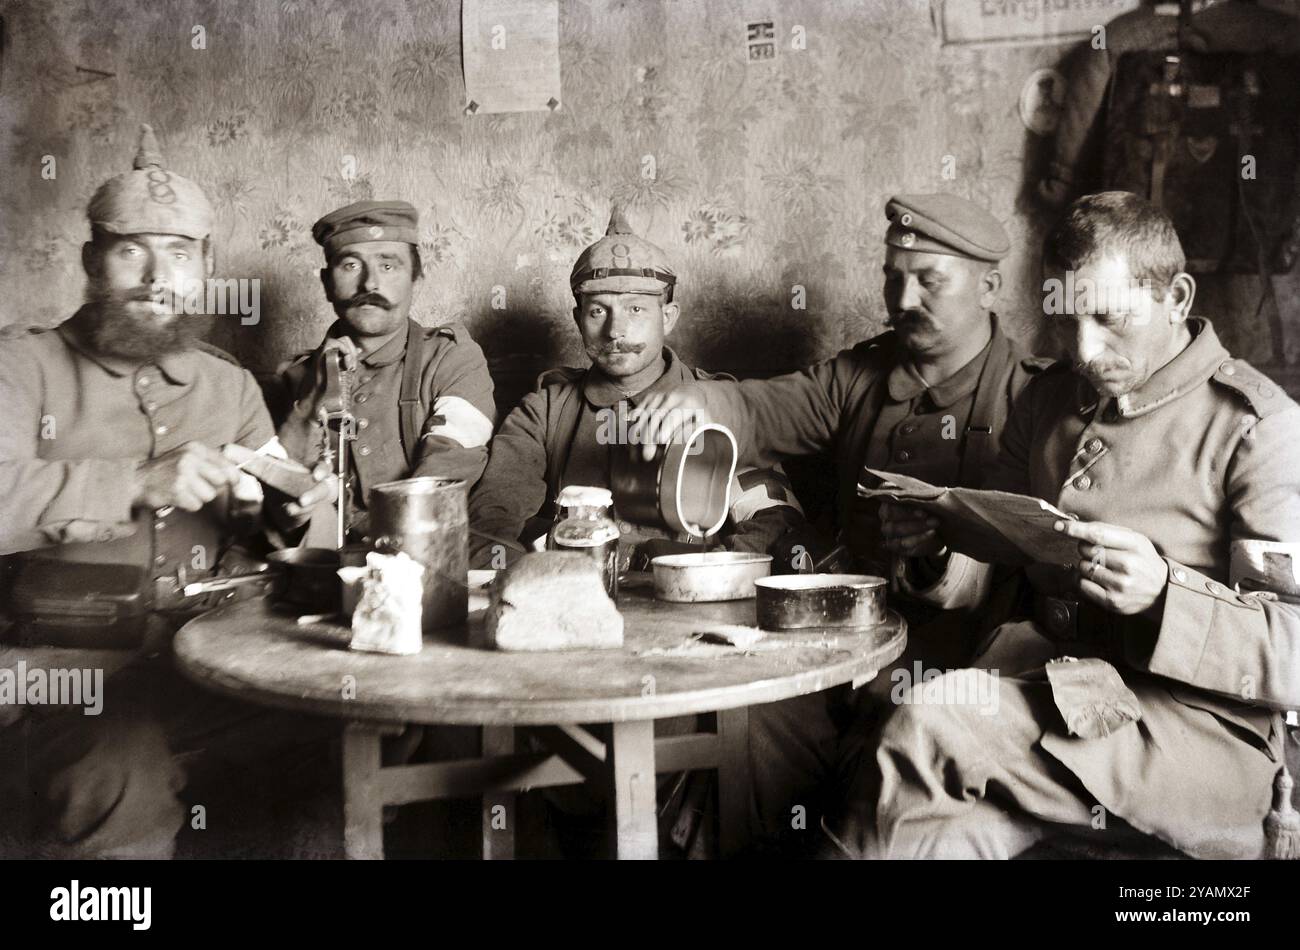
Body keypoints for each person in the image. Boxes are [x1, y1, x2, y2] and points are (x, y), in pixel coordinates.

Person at [826, 191, 1300, 859]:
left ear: (1177, 295)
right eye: (1068, 319)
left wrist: (1167, 594)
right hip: (1056, 692)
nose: (1084, 348)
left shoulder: (1258, 426)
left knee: (930, 720)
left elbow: (1295, 648)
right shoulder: (1050, 400)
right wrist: (943, 543)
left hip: (1186, 737)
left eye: (1110, 318)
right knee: (921, 832)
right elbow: (1004, 549)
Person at [633, 193, 1050, 850]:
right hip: (841, 651)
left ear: (990, 285)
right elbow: (766, 407)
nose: (903, 296)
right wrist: (698, 399)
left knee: (889, 773)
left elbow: (1048, 545)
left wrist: (950, 549)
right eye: (893, 276)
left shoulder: (1036, 396)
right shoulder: (860, 374)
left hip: (967, 665)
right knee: (750, 720)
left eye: (929, 280)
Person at [0, 125, 337, 858]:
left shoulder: (228, 384)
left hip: (211, 663)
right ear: (94, 262)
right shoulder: (23, 366)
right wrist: (134, 483)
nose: (159, 276)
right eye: (132, 251)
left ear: (205, 266)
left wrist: (288, 514)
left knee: (365, 730)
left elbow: (273, 520)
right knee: (120, 768)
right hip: (54, 678)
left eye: (180, 254)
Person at [468, 207, 808, 572]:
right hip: (576, 602)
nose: (616, 331)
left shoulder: (719, 405)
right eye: (598, 311)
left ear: (668, 316)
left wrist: (703, 573)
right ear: (577, 319)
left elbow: (775, 519)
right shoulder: (544, 411)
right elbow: (490, 524)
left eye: (635, 309)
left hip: (692, 603)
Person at [273, 200, 496, 543]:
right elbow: (278, 502)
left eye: (389, 265)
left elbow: (448, 470)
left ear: (415, 276)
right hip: (320, 567)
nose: (370, 284)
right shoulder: (293, 380)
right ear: (326, 282)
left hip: (423, 555)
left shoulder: (452, 359)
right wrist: (309, 402)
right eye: (350, 265)